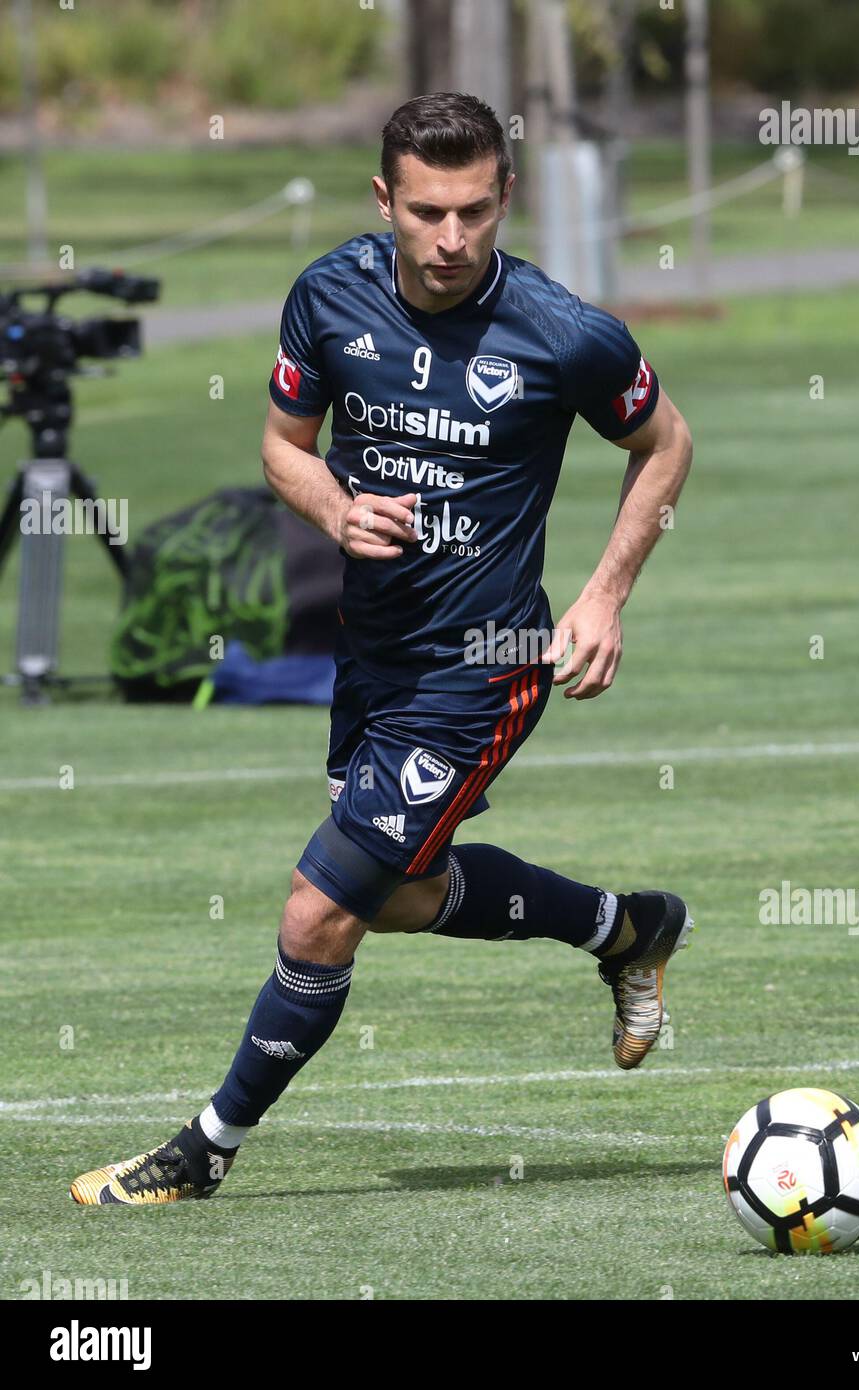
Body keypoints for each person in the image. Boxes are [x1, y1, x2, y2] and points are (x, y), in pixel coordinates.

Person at [70, 92, 694, 1206]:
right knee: (400, 897)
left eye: (471, 212)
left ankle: (203, 1148)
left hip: (485, 663)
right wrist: (333, 508)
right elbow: (280, 446)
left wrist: (602, 599)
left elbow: (665, 442)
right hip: (372, 656)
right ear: (383, 200)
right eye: (424, 213)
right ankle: (627, 926)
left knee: (318, 911)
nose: (449, 240)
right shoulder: (328, 294)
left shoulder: (563, 332)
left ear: (505, 196)